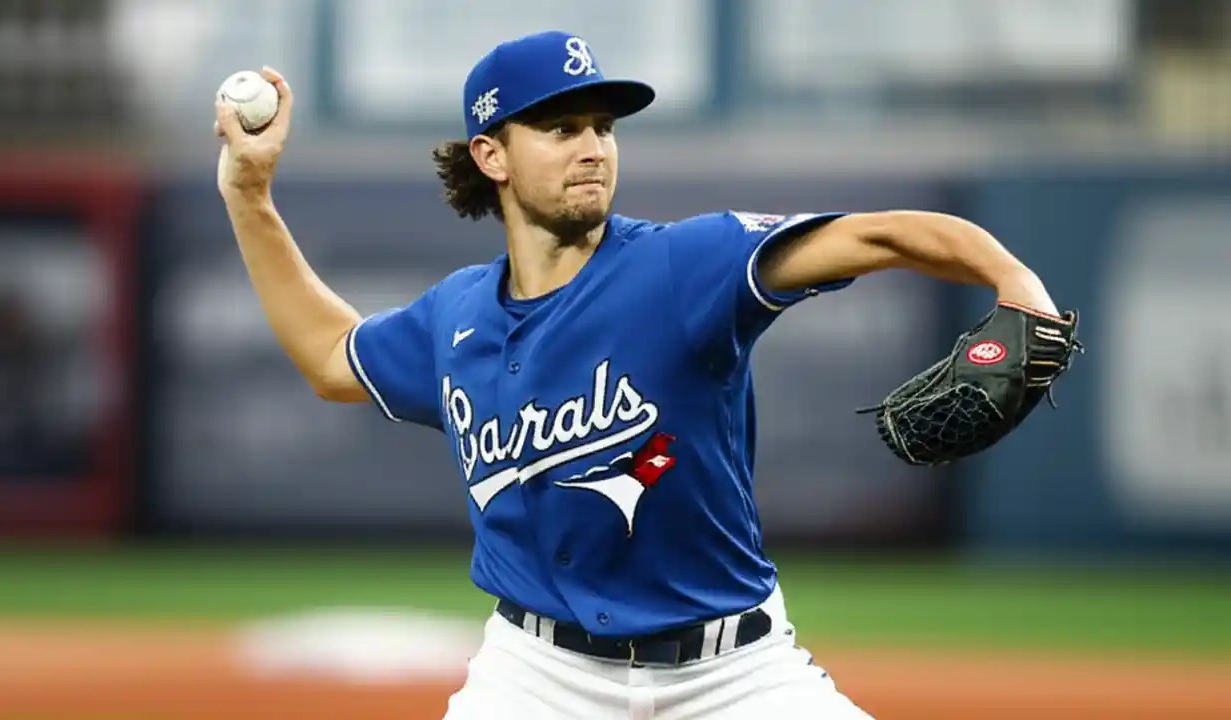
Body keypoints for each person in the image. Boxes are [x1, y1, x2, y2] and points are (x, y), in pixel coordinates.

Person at [214, 30, 1061, 720]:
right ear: (492, 154)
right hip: (535, 679)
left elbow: (881, 236)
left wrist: (1015, 281)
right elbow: (332, 356)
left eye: (604, 127)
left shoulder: (687, 263)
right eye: (561, 127)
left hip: (734, 676)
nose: (592, 147)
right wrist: (250, 198)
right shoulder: (454, 317)